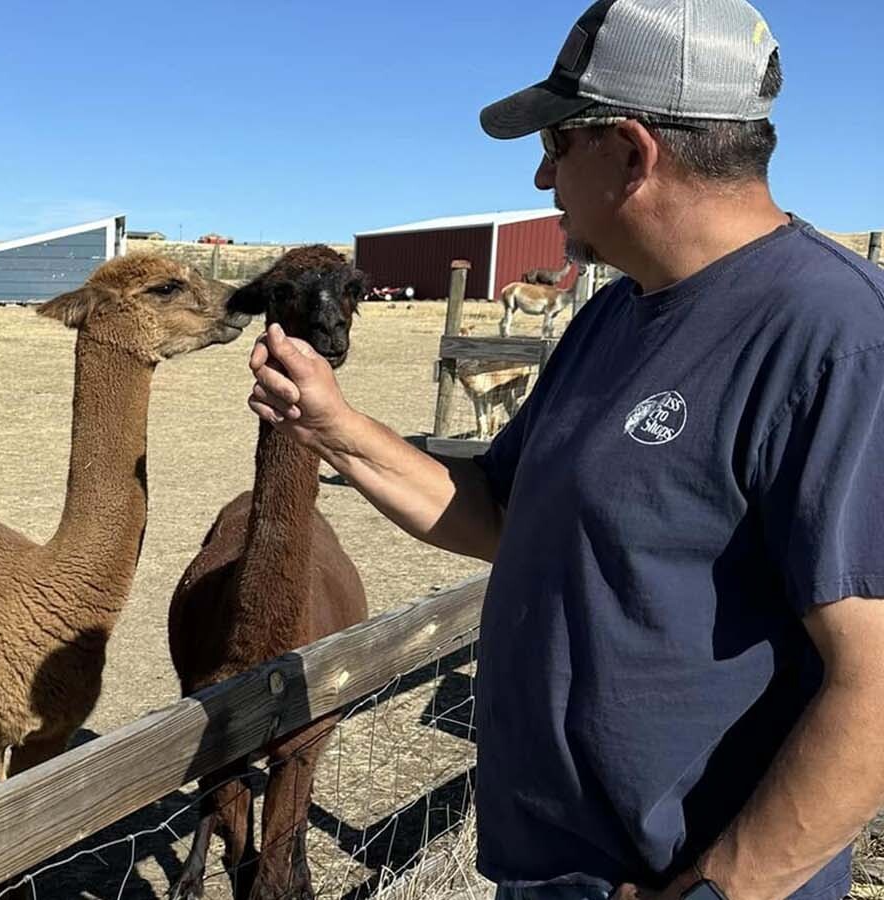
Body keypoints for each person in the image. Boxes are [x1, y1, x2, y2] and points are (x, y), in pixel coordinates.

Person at [246, 1, 884, 898]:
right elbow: (500, 516)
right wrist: (333, 426)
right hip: (555, 865)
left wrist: (716, 890)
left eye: (555, 144)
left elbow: (877, 683)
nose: (544, 177)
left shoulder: (834, 336)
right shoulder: (613, 317)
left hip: (689, 878)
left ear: (631, 150)